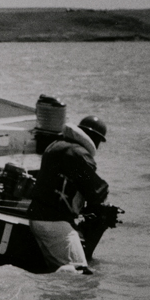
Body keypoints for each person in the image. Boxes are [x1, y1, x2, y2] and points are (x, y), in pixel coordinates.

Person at [28, 117, 110, 272]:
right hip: (54, 223)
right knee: (79, 273)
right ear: (95, 138)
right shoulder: (78, 154)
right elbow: (97, 191)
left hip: (38, 217)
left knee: (60, 269)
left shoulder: (57, 145)